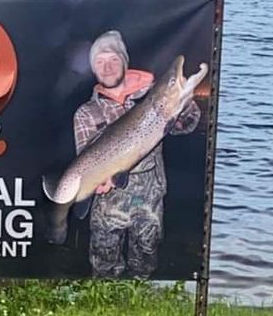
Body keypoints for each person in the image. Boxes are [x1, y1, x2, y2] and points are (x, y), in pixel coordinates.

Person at [73, 31, 200, 279]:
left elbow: (187, 125)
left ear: (124, 62)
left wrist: (184, 102)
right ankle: (105, 298)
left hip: (149, 201)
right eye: (100, 62)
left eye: (113, 59)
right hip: (107, 205)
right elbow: (84, 158)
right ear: (93, 69)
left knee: (145, 261)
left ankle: (140, 295)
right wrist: (96, 183)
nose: (107, 67)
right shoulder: (86, 113)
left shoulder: (150, 97)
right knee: (104, 267)